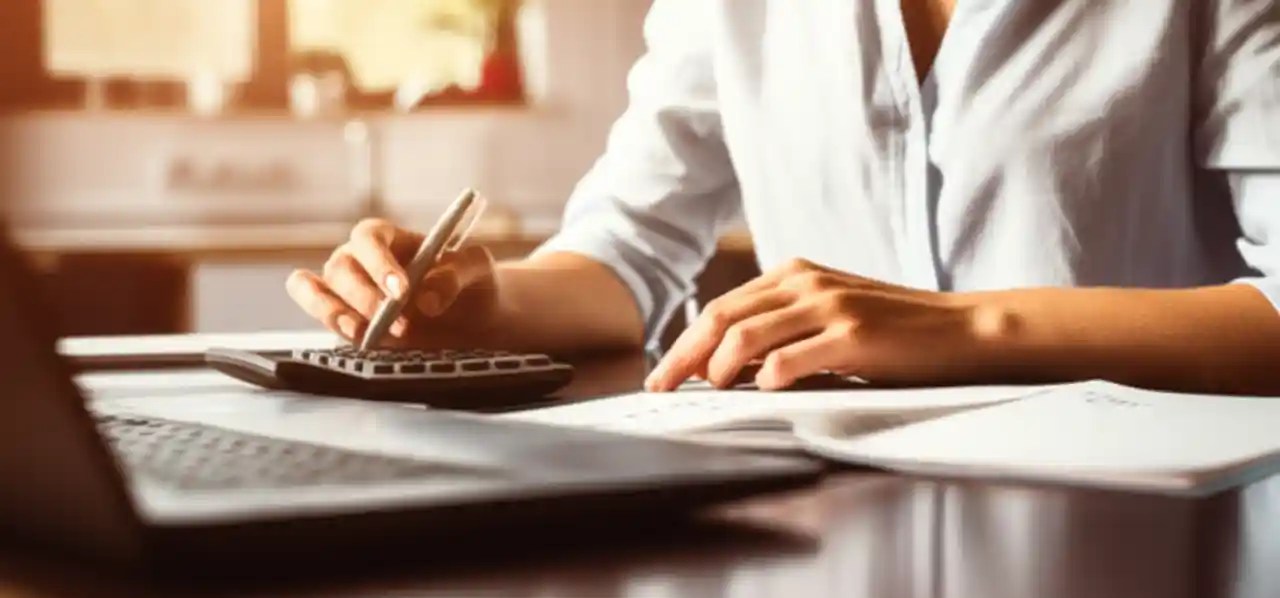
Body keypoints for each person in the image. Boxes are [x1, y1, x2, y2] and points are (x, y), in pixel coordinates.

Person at [287, 0, 1280, 396]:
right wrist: (482, 302)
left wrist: (962, 325)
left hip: (1150, 533)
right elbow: (626, 249)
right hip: (821, 520)